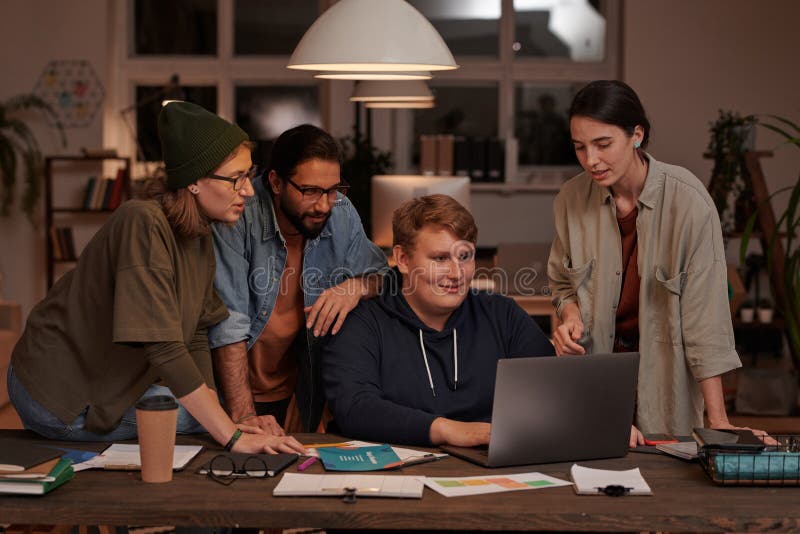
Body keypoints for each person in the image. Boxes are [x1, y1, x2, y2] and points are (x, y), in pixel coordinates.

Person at [8, 101, 305, 455]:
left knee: (211, 412)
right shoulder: (143, 223)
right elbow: (163, 347)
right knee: (201, 420)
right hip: (56, 395)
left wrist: (228, 421)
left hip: (101, 384)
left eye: (249, 174)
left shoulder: (199, 234)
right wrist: (233, 435)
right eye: (236, 178)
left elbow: (197, 331)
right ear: (195, 181)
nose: (249, 190)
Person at [547, 80, 744, 444]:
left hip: (665, 386)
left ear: (636, 134)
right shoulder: (570, 200)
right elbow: (561, 284)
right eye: (580, 147)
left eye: (603, 144)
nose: (591, 160)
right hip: (595, 383)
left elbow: (706, 320)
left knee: (664, 490)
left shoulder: (689, 204)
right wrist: (570, 316)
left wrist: (718, 421)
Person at [322, 194, 554, 447]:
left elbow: (550, 394)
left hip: (493, 469)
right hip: (399, 477)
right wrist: (447, 430)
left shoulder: (503, 314)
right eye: (440, 259)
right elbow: (354, 408)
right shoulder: (363, 322)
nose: (456, 274)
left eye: (465, 257)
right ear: (402, 259)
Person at [209, 124, 387, 436]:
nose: (324, 205)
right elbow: (228, 322)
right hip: (231, 397)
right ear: (276, 181)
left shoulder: (340, 212)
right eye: (310, 191)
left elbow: (385, 277)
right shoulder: (238, 214)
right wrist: (244, 417)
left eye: (333, 190)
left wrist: (356, 287)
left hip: (299, 393)